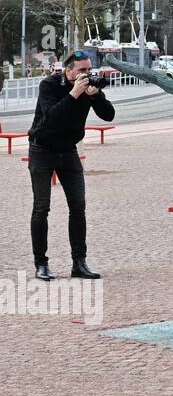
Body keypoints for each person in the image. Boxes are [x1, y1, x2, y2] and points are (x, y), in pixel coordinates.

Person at [27, 48, 115, 281]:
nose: (86, 74)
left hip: (69, 151)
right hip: (42, 150)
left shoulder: (87, 88)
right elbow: (52, 117)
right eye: (81, 70)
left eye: (89, 69)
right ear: (68, 71)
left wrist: (96, 96)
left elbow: (109, 115)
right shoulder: (49, 85)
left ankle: (79, 262)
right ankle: (41, 264)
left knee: (78, 206)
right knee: (41, 207)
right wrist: (74, 94)